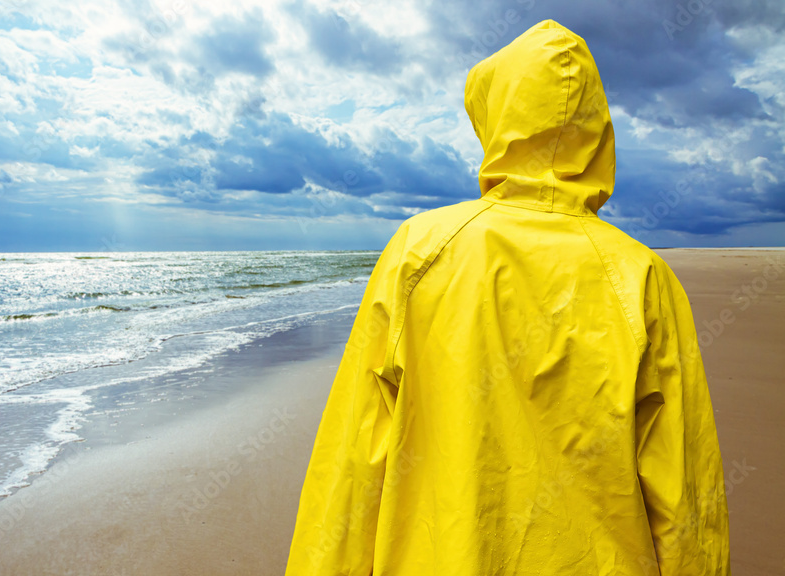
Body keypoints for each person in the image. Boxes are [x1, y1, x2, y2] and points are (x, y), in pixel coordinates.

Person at [284, 19, 731, 576]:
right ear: (596, 131)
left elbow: (352, 467)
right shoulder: (643, 275)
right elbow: (686, 493)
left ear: (496, 120)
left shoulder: (419, 253)